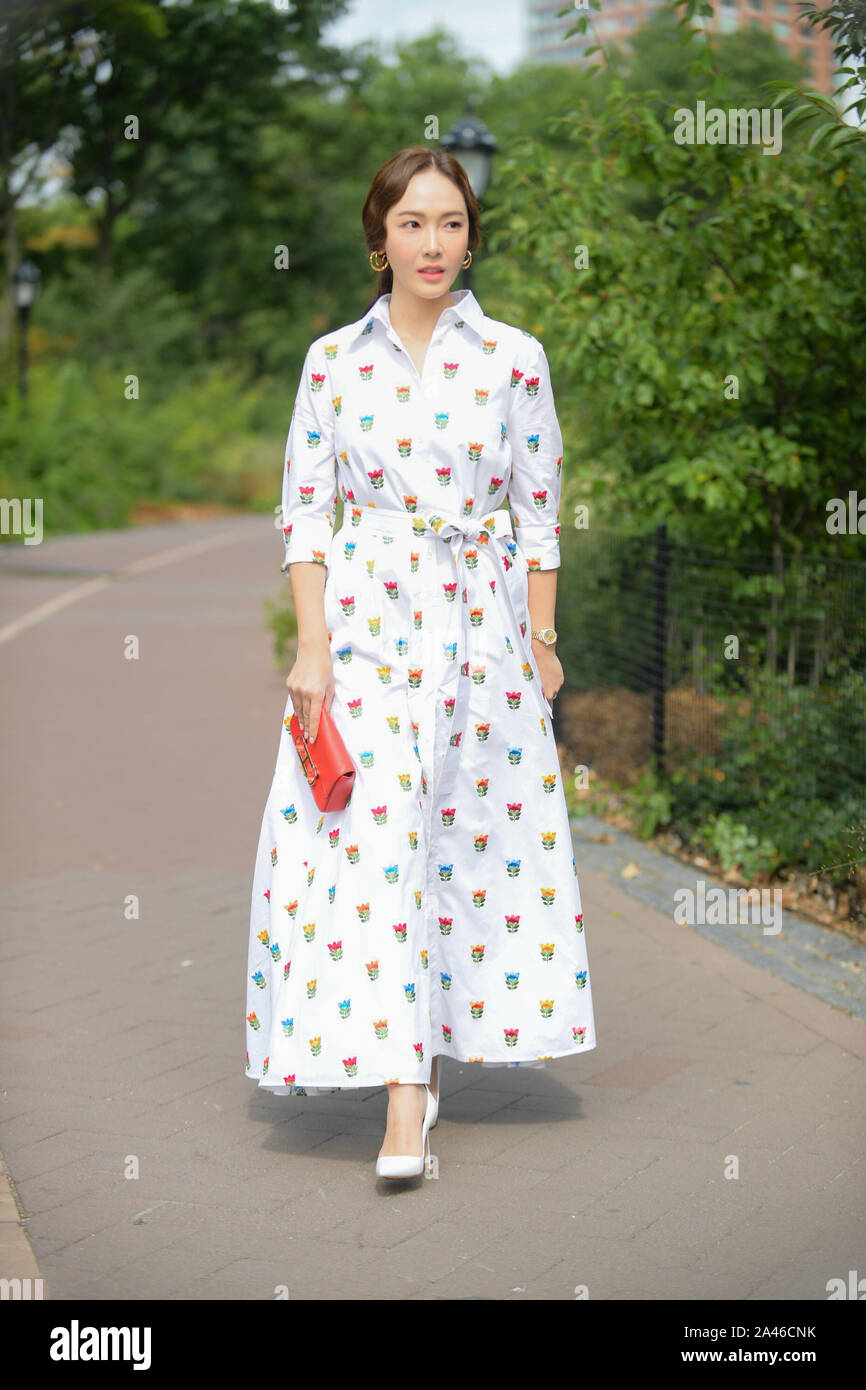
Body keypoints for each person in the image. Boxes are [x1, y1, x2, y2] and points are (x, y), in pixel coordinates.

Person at [245, 145, 597, 1181]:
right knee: (374, 844)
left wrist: (542, 645)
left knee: (464, 845)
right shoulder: (329, 361)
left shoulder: (514, 357)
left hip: (482, 628)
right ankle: (405, 1098)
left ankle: (429, 1061)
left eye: (449, 222)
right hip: (364, 623)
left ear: (471, 236)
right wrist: (310, 648)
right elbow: (306, 511)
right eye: (411, 222)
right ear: (378, 236)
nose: (431, 243)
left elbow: (538, 514)